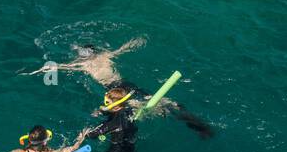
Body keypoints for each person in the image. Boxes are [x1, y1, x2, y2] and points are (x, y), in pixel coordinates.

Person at [25, 40, 213, 137]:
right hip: (127, 84)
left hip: (117, 92)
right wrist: (133, 43)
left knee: (151, 108)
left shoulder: (82, 65)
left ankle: (192, 123)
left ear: (84, 54)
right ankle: (193, 121)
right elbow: (121, 50)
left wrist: (36, 71)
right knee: (161, 101)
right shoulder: (105, 55)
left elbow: (59, 67)